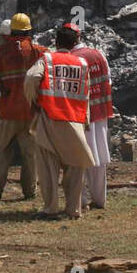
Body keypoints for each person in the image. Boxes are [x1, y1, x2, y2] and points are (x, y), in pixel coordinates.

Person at [24, 23, 94, 219]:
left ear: (56, 41)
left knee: (47, 165)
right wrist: (86, 120)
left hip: (50, 118)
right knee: (76, 166)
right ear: (75, 43)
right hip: (75, 120)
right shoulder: (82, 64)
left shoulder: (47, 59)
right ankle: (74, 209)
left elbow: (30, 78)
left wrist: (34, 101)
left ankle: (51, 208)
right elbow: (86, 94)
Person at [0, 12, 43, 202]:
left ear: (10, 31)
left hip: (9, 111)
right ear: (29, 30)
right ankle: (30, 192)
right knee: (31, 155)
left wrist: (0, 85)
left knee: (1, 152)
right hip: (31, 112)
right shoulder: (38, 51)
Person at [68, 23, 113, 210]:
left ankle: (82, 200)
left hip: (81, 116)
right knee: (100, 157)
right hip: (100, 112)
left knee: (81, 158)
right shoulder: (98, 54)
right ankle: (100, 199)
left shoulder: (71, 59)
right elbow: (108, 80)